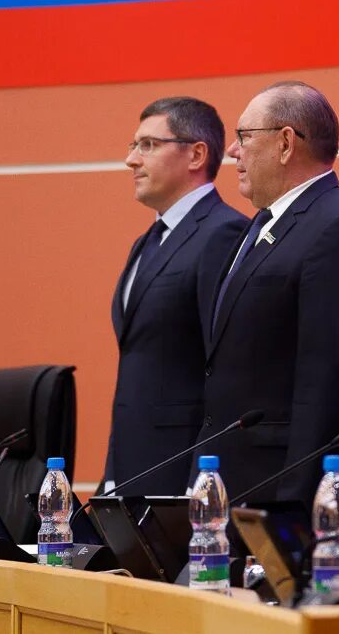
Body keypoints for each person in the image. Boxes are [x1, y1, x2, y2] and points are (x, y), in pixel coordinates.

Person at [194, 81, 339, 503]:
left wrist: (296, 501)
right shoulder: (261, 223)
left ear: (285, 143)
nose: (232, 151)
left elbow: (327, 379)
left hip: (277, 488)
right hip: (225, 481)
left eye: (244, 136)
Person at [102, 97, 246, 496]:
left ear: (196, 154)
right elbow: (136, 367)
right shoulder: (146, 241)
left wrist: (198, 483)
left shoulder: (223, 234)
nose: (132, 159)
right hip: (131, 470)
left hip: (183, 473)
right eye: (134, 145)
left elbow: (222, 371)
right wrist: (112, 474)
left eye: (148, 145)